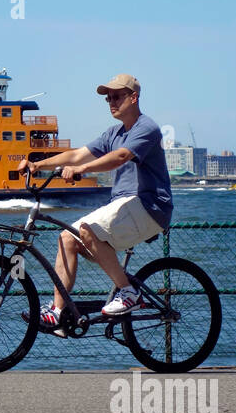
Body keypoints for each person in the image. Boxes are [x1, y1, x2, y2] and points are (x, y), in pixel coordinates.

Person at [16, 73, 172, 330]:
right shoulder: (113, 133)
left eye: (117, 96)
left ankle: (128, 292)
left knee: (86, 230)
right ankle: (58, 313)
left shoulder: (146, 128)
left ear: (133, 98)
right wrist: (37, 164)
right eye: (108, 98)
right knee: (67, 238)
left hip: (149, 206)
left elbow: (120, 157)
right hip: (124, 205)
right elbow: (77, 154)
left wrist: (83, 170)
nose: (111, 101)